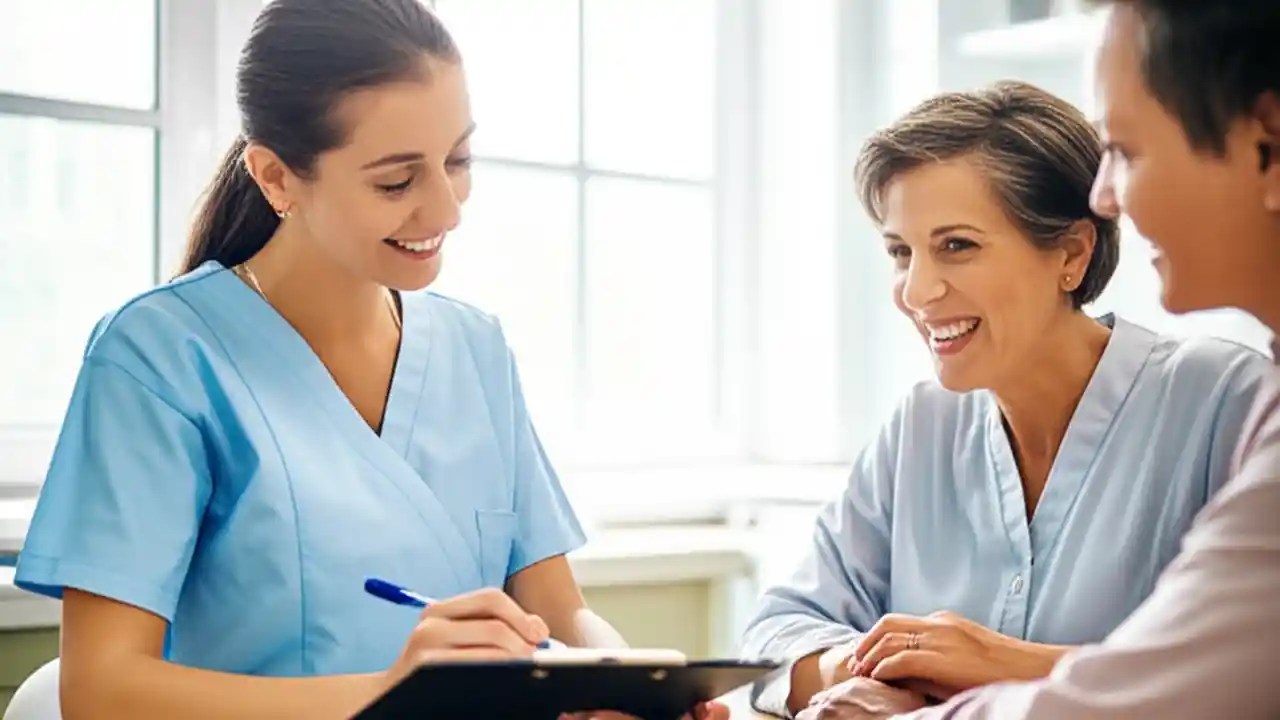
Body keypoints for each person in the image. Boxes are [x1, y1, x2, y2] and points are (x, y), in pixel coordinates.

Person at [12, 2, 723, 719]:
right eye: (396, 181)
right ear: (276, 177)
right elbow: (101, 692)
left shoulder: (477, 352)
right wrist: (390, 694)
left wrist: (626, 685)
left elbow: (562, 616)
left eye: (458, 161)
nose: (447, 210)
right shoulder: (159, 358)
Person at [795, 1, 1280, 718]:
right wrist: (874, 669)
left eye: (957, 245)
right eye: (901, 252)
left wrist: (988, 674)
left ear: (1072, 253)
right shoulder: (920, 428)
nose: (917, 289)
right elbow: (778, 630)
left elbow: (1215, 684)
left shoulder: (1232, 403)